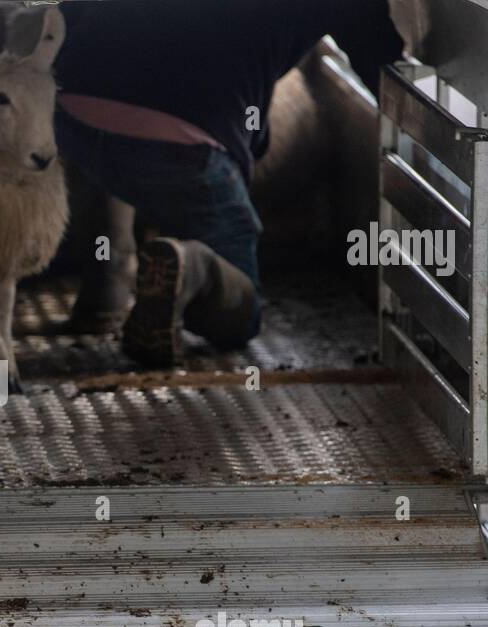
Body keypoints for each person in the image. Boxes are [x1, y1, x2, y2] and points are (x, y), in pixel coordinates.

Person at [52, 0, 405, 366]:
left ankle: (106, 283)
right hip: (182, 142)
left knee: (119, 134)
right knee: (240, 315)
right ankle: (191, 268)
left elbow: (70, 15)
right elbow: (382, 59)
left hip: (72, 111)